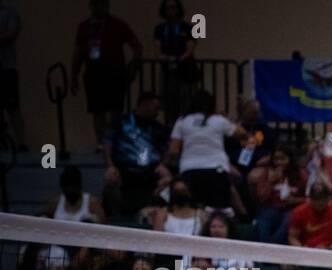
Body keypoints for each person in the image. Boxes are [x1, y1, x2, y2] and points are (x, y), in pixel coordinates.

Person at [70, 0, 143, 143]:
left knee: (115, 109)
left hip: (115, 71)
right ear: (91, 6)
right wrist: (74, 75)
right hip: (93, 71)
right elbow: (78, 52)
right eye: (97, 4)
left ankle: (114, 142)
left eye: (103, 4)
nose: (100, 7)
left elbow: (137, 46)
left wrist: (133, 66)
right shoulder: (84, 27)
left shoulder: (117, 24)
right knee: (97, 110)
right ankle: (101, 143)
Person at [168, 90, 244, 213]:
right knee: (219, 211)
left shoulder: (182, 121)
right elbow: (242, 134)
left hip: (189, 170)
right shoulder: (218, 120)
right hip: (217, 169)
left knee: (192, 210)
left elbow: (173, 150)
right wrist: (228, 118)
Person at [102, 91, 170, 219]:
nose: (158, 112)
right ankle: (117, 220)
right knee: (110, 180)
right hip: (124, 171)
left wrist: (163, 165)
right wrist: (110, 166)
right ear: (145, 105)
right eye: (156, 108)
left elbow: (168, 149)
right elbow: (107, 143)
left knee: (168, 182)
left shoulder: (159, 128)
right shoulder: (122, 122)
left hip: (151, 173)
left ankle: (155, 218)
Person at [248, 145, 307, 244]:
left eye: (283, 159)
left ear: (290, 159)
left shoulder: (301, 174)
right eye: (276, 159)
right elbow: (261, 197)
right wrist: (271, 181)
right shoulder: (267, 173)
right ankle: (265, 249)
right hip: (271, 208)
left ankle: (273, 248)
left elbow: (308, 199)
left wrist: (295, 200)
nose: (279, 162)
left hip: (291, 209)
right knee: (264, 222)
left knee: (287, 222)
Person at [154, 0, 198, 123]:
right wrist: (166, 59)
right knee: (170, 106)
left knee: (187, 105)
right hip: (169, 73)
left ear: (178, 9)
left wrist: (179, 59)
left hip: (186, 72)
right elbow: (157, 48)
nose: (171, 10)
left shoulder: (186, 27)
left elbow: (190, 47)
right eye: (168, 8)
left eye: (173, 7)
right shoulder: (160, 28)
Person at [288, 183, 332, 251]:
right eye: (315, 200)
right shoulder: (299, 212)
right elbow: (292, 236)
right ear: (310, 199)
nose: (319, 203)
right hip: (306, 252)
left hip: (331, 253)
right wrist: (302, 248)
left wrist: (329, 249)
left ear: (328, 198)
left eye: (322, 200)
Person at [42, 166, 107, 224]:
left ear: (79, 186)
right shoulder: (56, 202)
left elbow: (104, 227)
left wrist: (94, 221)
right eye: (68, 188)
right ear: (63, 188)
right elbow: (41, 218)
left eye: (73, 188)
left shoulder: (92, 203)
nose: (71, 191)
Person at [0, 0, 24, 151]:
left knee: (13, 107)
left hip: (6, 67)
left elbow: (11, 34)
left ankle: (21, 143)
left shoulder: (9, 12)